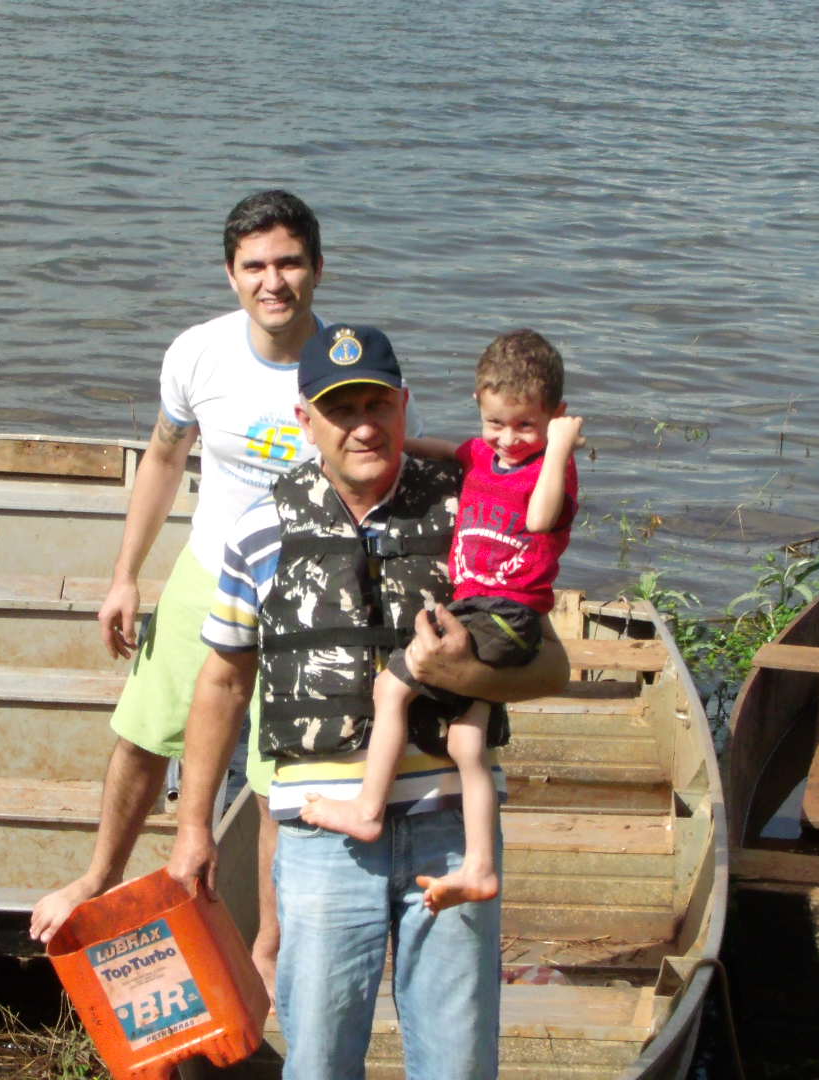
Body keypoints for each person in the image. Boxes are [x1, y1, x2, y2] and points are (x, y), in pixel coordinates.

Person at [166, 323, 570, 1078]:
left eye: (377, 404)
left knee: (456, 1064)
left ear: (405, 407)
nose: (362, 425)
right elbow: (222, 680)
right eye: (340, 407)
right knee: (317, 1061)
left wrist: (465, 675)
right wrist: (195, 827)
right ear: (304, 420)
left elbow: (552, 667)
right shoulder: (258, 528)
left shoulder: (473, 513)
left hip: (449, 831)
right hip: (321, 846)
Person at [27, 191, 326, 986]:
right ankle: (99, 875)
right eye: (255, 265)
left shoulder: (343, 362)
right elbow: (164, 458)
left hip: (303, 595)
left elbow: (378, 471)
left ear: (318, 269)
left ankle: (266, 949)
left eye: (289, 262)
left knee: (275, 781)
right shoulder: (198, 353)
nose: (274, 281)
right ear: (230, 274)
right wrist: (125, 576)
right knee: (140, 735)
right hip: (208, 570)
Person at [299, 329, 581, 914]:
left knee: (390, 685)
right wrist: (396, 451)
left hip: (503, 612)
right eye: (495, 424)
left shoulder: (548, 470)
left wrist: (556, 448)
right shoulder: (485, 455)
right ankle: (479, 866)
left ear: (554, 417)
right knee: (467, 742)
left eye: (525, 426)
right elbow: (447, 451)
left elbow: (541, 514)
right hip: (481, 610)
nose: (507, 440)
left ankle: (367, 809)